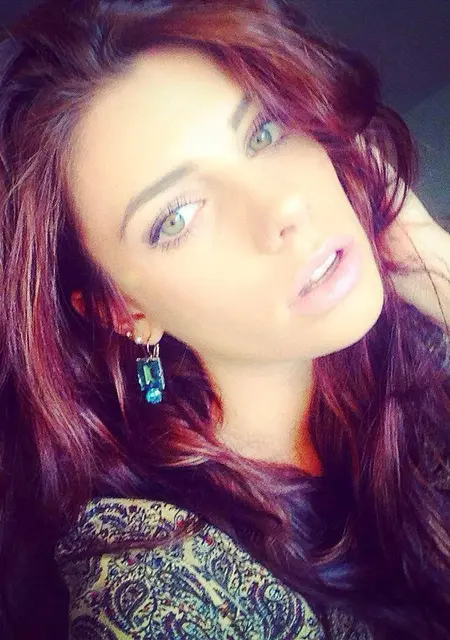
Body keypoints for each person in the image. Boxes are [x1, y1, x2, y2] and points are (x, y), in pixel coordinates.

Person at [0, 0, 449, 638]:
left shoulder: (403, 343)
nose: (282, 208)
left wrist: (436, 267)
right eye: (177, 217)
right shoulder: (155, 580)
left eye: (263, 132)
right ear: (122, 308)